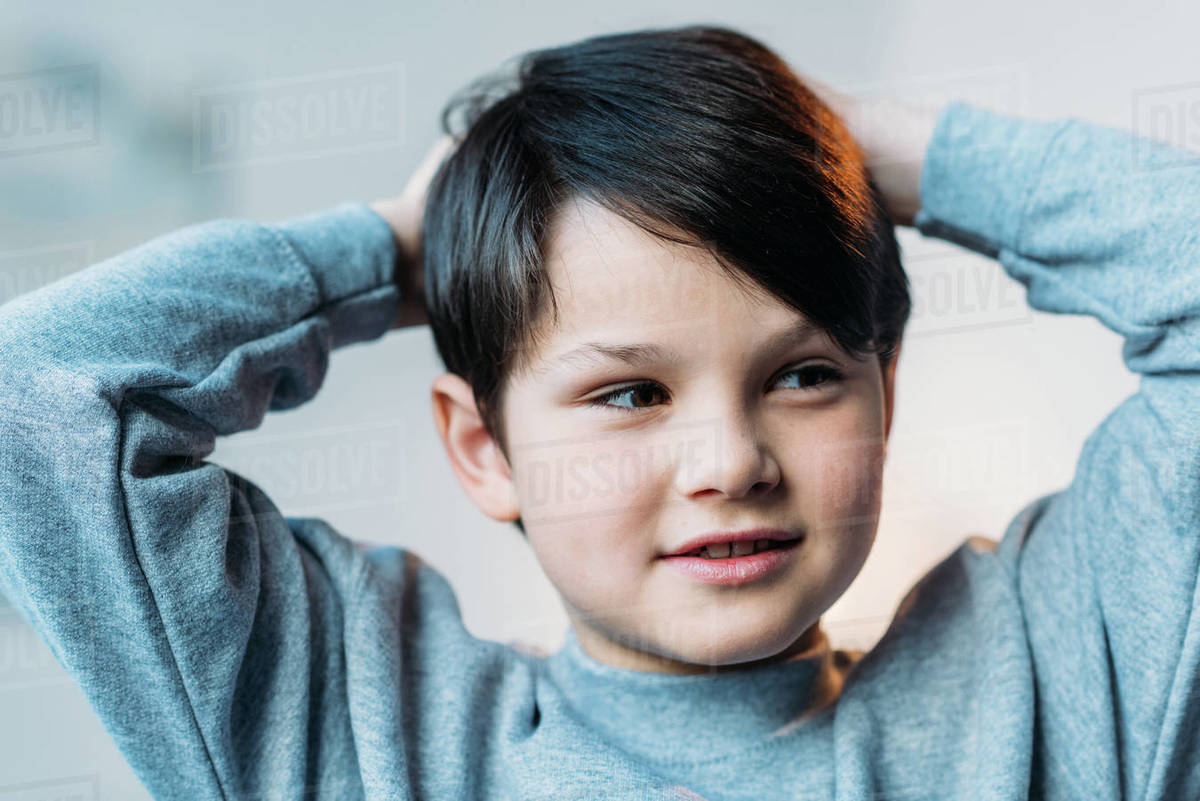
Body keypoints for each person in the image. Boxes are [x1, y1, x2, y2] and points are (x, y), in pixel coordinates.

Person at [0, 23, 1196, 801]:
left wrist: (892, 156)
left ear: (889, 394)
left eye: (802, 375)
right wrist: (392, 249)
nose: (730, 460)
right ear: (486, 449)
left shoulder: (1051, 687)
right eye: (629, 392)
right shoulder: (372, 740)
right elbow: (38, 393)